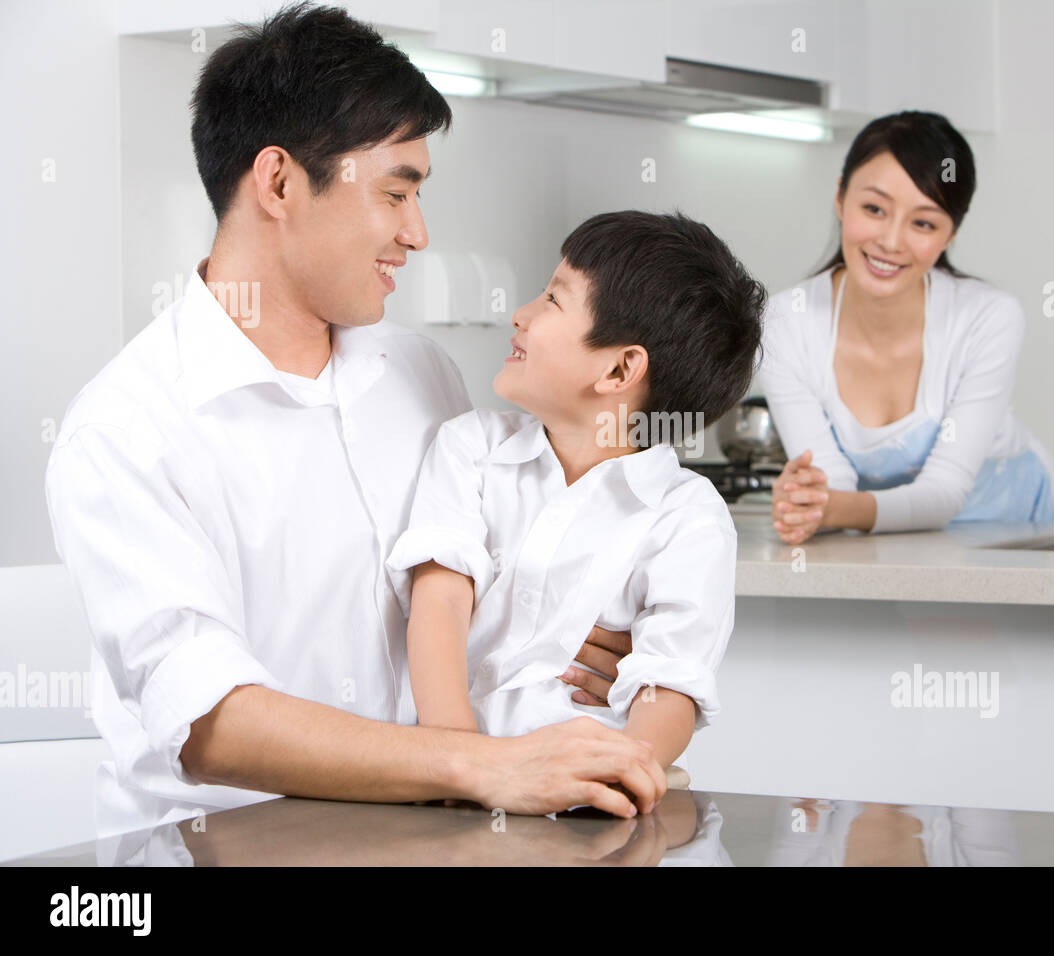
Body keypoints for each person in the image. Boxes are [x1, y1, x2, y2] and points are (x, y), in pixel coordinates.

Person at [44, 2, 665, 837]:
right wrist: (481, 764)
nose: (417, 232)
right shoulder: (126, 430)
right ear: (278, 182)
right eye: (395, 192)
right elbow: (213, 724)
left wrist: (571, 633)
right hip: (215, 852)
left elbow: (473, 592)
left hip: (427, 834)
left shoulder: (420, 374)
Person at [386, 211, 764, 772]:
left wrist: (623, 770)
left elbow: (671, 681)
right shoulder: (471, 447)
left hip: (578, 791)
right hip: (455, 777)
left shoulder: (688, 517)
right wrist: (462, 764)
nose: (520, 314)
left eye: (552, 300)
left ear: (618, 370)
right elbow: (438, 601)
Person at [759, 111, 1054, 546]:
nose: (891, 241)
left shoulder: (988, 317)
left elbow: (943, 493)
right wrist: (810, 499)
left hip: (1019, 537)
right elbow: (833, 486)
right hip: (890, 545)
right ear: (840, 197)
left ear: (950, 234)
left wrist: (826, 506)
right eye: (874, 209)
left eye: (923, 223)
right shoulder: (784, 322)